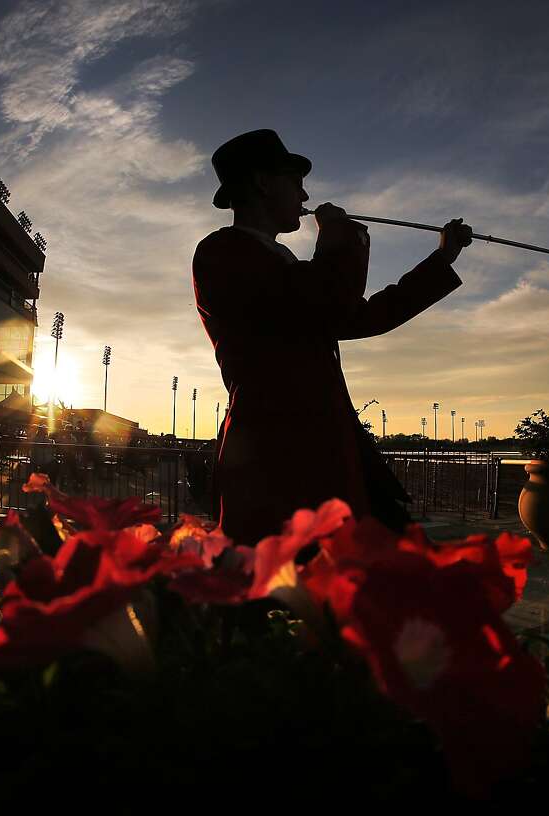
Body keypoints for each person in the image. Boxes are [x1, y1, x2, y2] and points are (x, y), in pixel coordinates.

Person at [192, 129, 471, 546]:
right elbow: (328, 300)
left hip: (320, 451)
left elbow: (365, 315)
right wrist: (339, 233)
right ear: (264, 184)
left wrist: (442, 260)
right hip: (276, 457)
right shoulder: (222, 254)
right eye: (296, 182)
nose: (305, 197)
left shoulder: (280, 264)